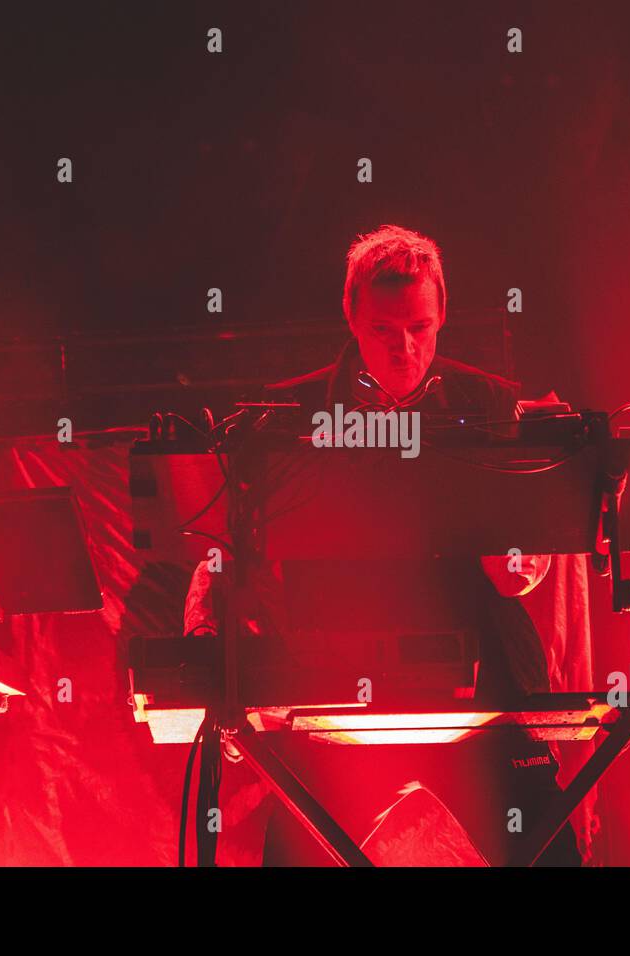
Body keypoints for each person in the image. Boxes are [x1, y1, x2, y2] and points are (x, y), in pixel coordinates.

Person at [184, 224, 584, 866]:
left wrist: (514, 541)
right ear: (351, 315)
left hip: (479, 686)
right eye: (383, 331)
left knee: (547, 853)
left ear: (442, 314)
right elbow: (222, 548)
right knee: (296, 856)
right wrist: (211, 642)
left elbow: (521, 571)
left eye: (420, 329)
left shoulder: (488, 404)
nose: (404, 349)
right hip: (335, 684)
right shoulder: (290, 415)